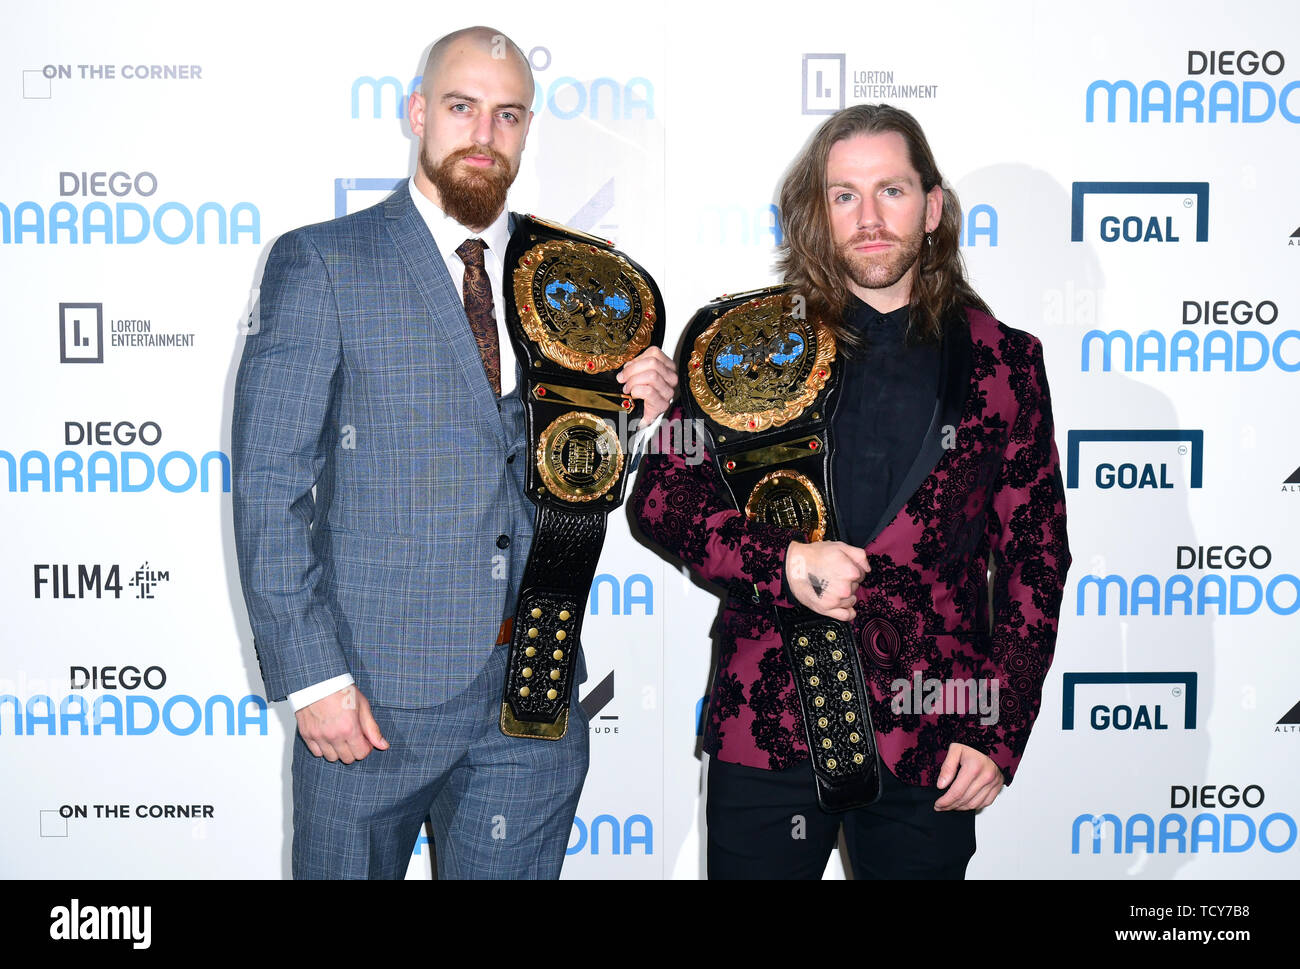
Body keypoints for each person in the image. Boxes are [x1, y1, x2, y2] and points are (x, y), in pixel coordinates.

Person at [232, 25, 674, 879]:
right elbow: (267, 484)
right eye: (462, 107)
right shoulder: (323, 262)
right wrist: (313, 679)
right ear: (417, 113)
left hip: (532, 698)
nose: (484, 134)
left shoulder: (573, 280)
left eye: (508, 115)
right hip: (369, 699)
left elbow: (551, 471)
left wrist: (630, 418)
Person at [631, 103, 1070, 879]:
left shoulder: (1006, 362)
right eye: (844, 196)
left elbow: (1038, 560)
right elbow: (664, 498)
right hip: (768, 727)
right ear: (818, 212)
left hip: (935, 742)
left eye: (891, 191)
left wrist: (1000, 732)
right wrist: (781, 563)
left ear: (932, 206)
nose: (868, 218)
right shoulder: (740, 343)